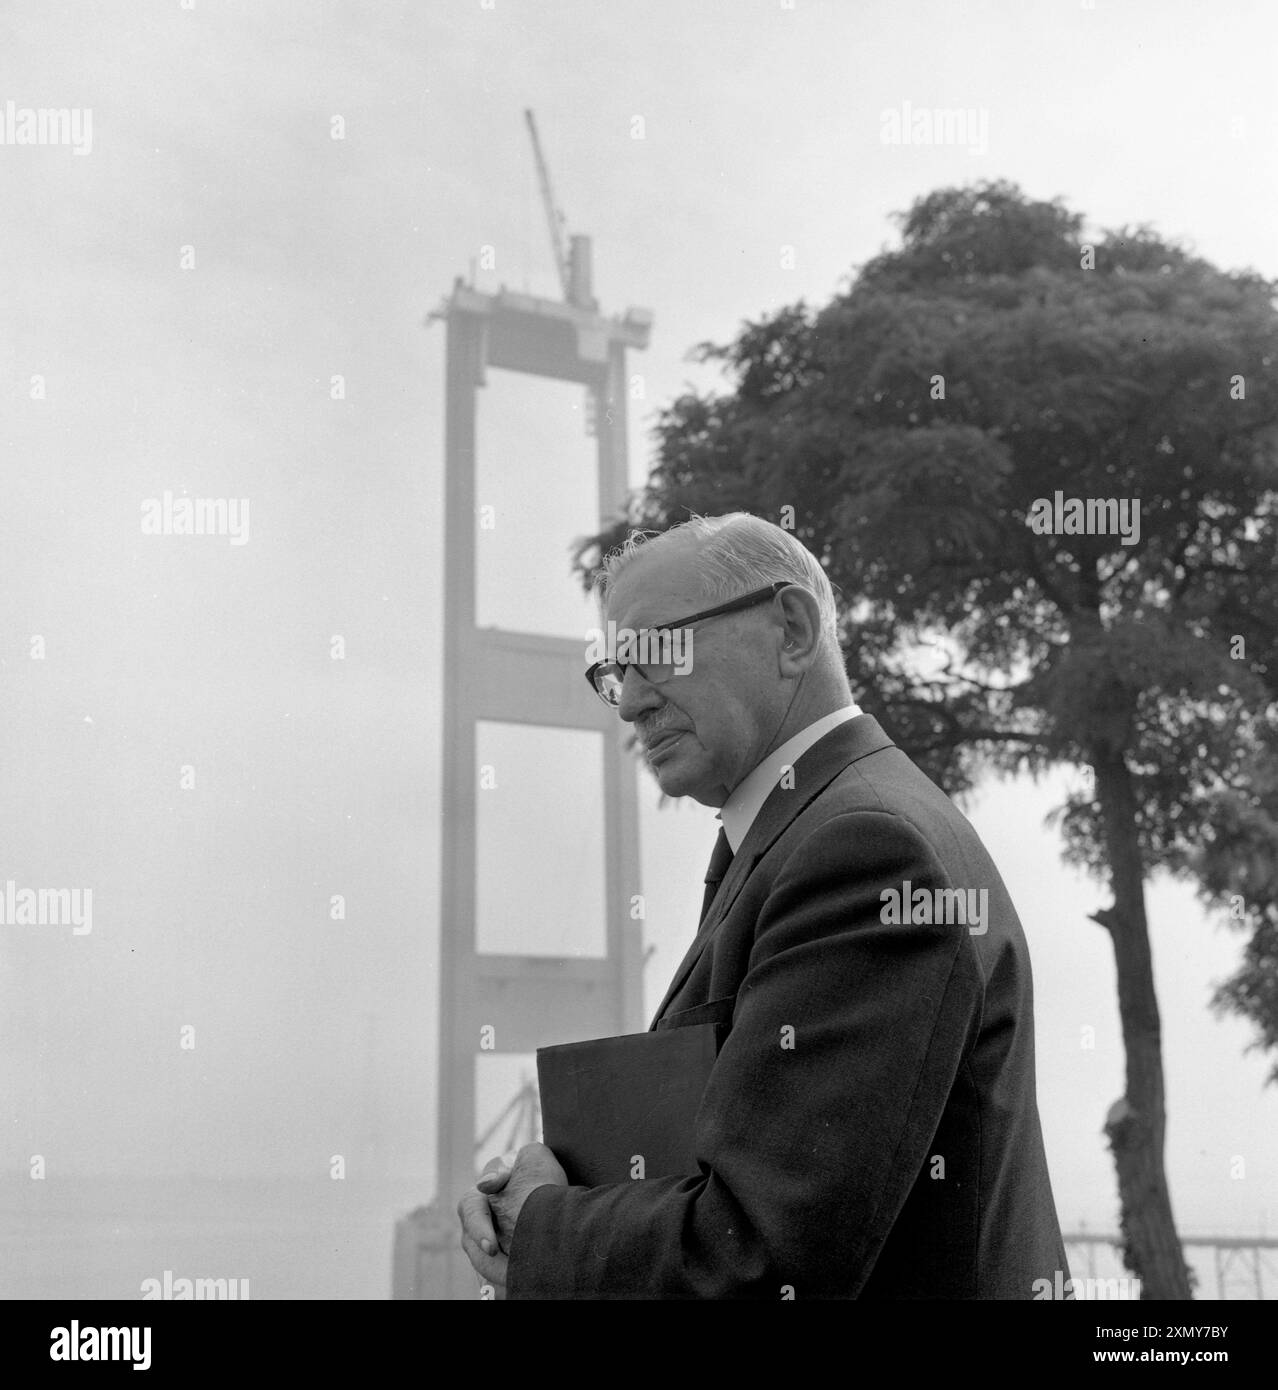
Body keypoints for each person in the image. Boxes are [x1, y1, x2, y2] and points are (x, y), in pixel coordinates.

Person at [458, 512, 1070, 1299]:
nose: (628, 703)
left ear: (791, 628)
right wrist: (574, 1188)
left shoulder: (864, 850)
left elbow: (761, 1253)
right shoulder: (811, 831)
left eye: (656, 652)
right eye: (615, 670)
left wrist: (544, 1220)